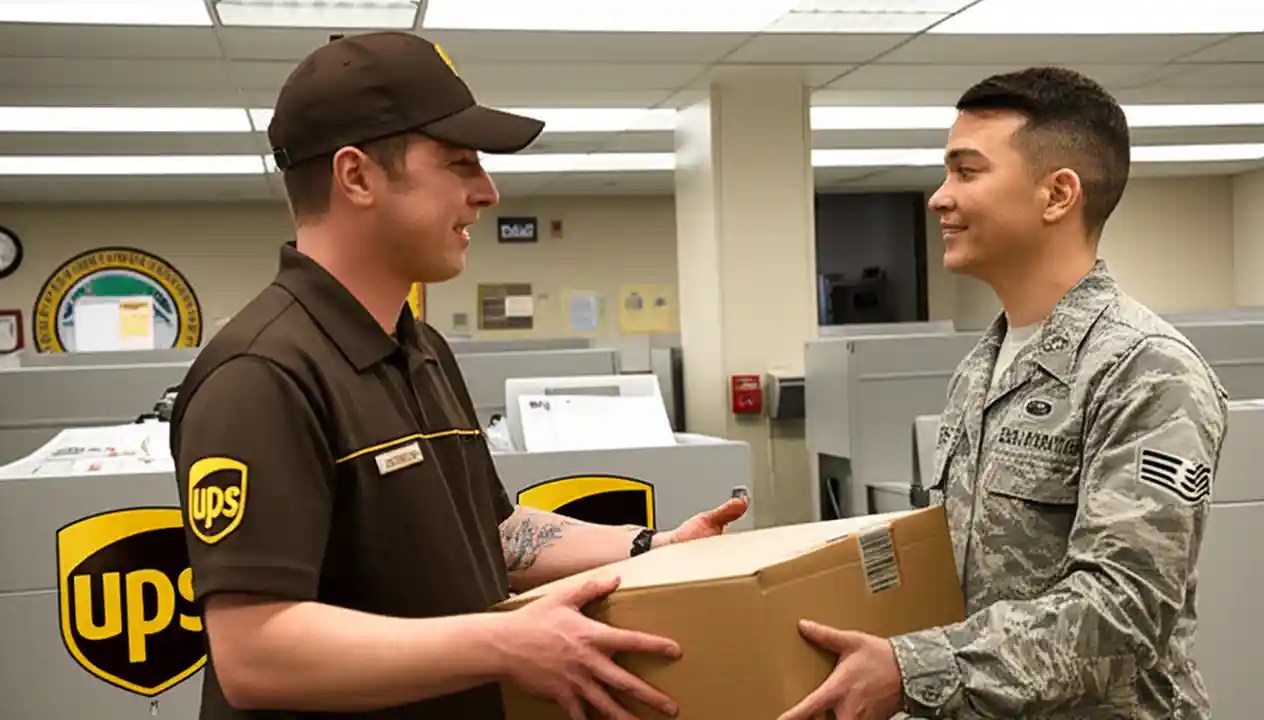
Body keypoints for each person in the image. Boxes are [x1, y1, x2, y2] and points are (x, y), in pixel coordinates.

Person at [169, 30, 748, 720]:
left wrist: (650, 547)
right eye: (459, 164)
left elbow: (491, 531)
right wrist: (504, 643)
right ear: (356, 177)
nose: (488, 191)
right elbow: (255, 653)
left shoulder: (420, 349)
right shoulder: (261, 376)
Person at [778, 67, 1229, 720]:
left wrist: (914, 669)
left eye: (967, 171)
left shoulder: (1148, 370)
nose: (938, 197)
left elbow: (1124, 613)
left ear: (1057, 195)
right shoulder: (980, 369)